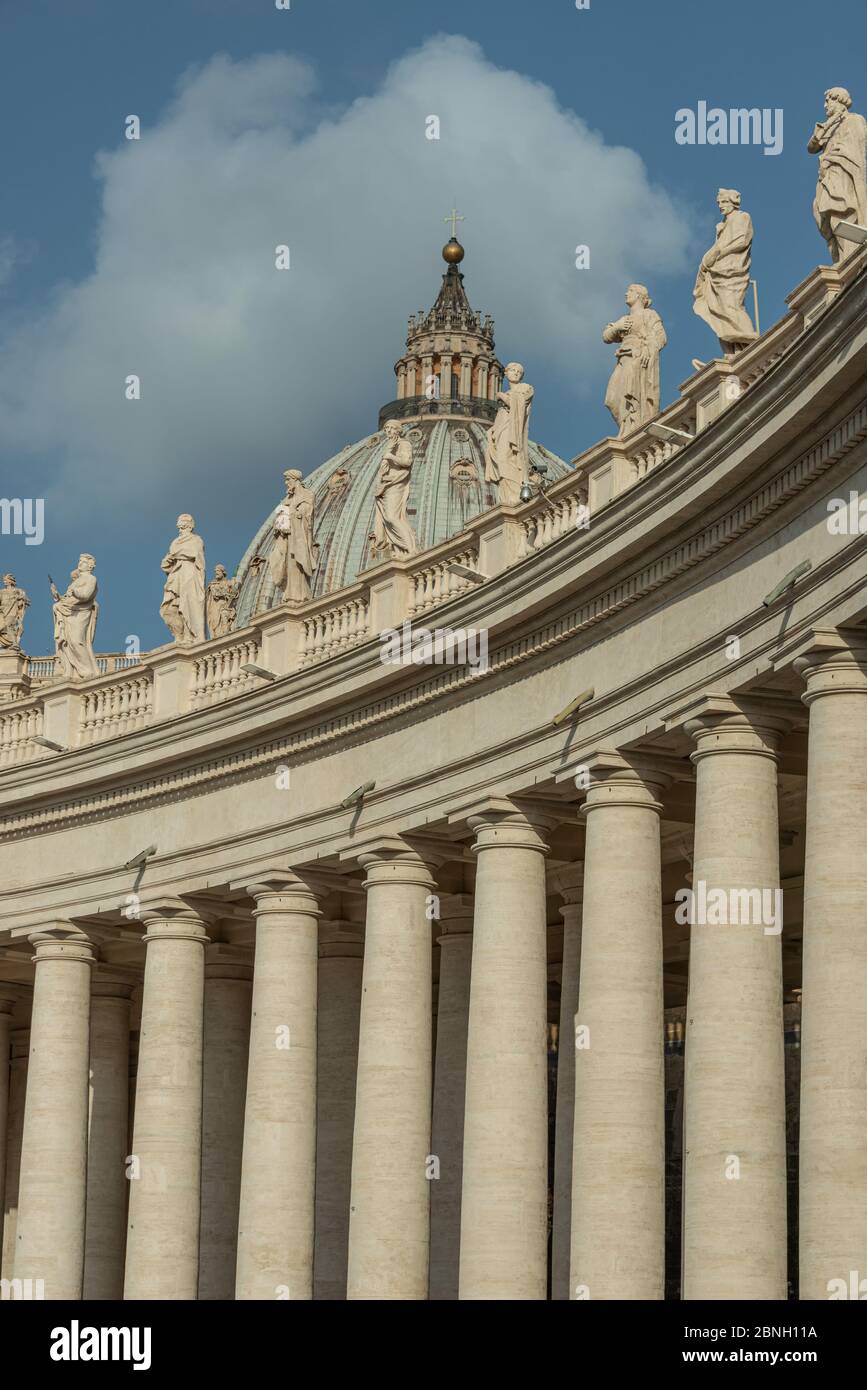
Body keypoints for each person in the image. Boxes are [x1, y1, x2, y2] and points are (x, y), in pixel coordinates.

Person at [693, 191, 757, 356]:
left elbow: (742, 240)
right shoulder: (723, 225)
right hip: (719, 270)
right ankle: (732, 352)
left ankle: (751, 348)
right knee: (718, 310)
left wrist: (719, 252)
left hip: (732, 270)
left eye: (723, 202)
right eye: (719, 203)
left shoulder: (742, 217)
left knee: (732, 307)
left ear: (732, 202)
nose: (720, 206)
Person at [808, 87, 867, 263]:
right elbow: (811, 147)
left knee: (839, 212)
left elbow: (856, 151)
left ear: (839, 100)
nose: (825, 105)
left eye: (829, 101)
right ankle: (843, 257)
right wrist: (828, 125)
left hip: (843, 174)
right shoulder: (828, 127)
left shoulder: (854, 120)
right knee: (823, 214)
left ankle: (849, 257)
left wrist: (833, 156)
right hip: (827, 175)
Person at [603, 285, 667, 435]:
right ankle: (627, 429)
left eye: (630, 291)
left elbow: (660, 336)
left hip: (637, 359)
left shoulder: (649, 314)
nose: (626, 293)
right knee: (612, 399)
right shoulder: (624, 319)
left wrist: (647, 350)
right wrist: (616, 327)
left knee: (631, 393)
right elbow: (606, 336)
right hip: (623, 359)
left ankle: (633, 428)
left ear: (639, 295)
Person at [485, 362, 534, 504]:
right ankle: (507, 497)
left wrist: (502, 397)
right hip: (501, 431)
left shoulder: (526, 388)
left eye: (519, 371)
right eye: (513, 370)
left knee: (508, 460)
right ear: (506, 373)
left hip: (512, 431)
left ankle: (513, 496)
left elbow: (517, 405)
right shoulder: (508, 393)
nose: (516, 373)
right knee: (502, 462)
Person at [269, 469, 317, 601]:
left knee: (297, 565)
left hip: (299, 537)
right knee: (288, 565)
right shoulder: (286, 500)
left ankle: (299, 595)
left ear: (296, 480)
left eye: (288, 480)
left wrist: (290, 516)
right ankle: (290, 594)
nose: (286, 483)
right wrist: (279, 523)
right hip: (288, 540)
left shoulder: (307, 495)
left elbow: (307, 515)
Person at [372, 422, 417, 557]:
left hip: (396, 484)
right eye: (386, 429)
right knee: (389, 517)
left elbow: (407, 462)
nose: (388, 432)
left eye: (391, 429)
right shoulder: (389, 446)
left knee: (392, 517)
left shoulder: (404, 444)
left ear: (398, 430)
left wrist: (390, 456)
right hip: (387, 485)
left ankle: (411, 549)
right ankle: (403, 547)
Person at [160, 514, 206, 644]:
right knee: (171, 607)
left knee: (189, 604)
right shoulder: (174, 542)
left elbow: (195, 553)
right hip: (176, 576)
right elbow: (167, 562)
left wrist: (177, 554)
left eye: (183, 527)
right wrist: (167, 561)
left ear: (190, 527)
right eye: (180, 528)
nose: (180, 530)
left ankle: (191, 636)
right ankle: (179, 635)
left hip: (189, 574)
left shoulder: (196, 540)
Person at [52, 555, 99, 680]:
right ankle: (70, 670)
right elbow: (68, 599)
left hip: (81, 613)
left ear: (90, 566)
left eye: (83, 562)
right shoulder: (77, 580)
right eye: (79, 561)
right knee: (67, 641)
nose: (80, 563)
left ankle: (87, 671)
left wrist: (75, 592)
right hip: (68, 611)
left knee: (77, 640)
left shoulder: (91, 579)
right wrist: (58, 596)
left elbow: (86, 595)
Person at [0, 574, 29, 650]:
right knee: (3, 628)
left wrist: (20, 598)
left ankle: (14, 643)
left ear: (11, 581)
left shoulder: (18, 591)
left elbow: (26, 601)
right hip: (3, 612)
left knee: (9, 625)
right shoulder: (2, 592)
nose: (4, 582)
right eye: (4, 580)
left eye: (6, 580)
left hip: (13, 611)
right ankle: (10, 643)